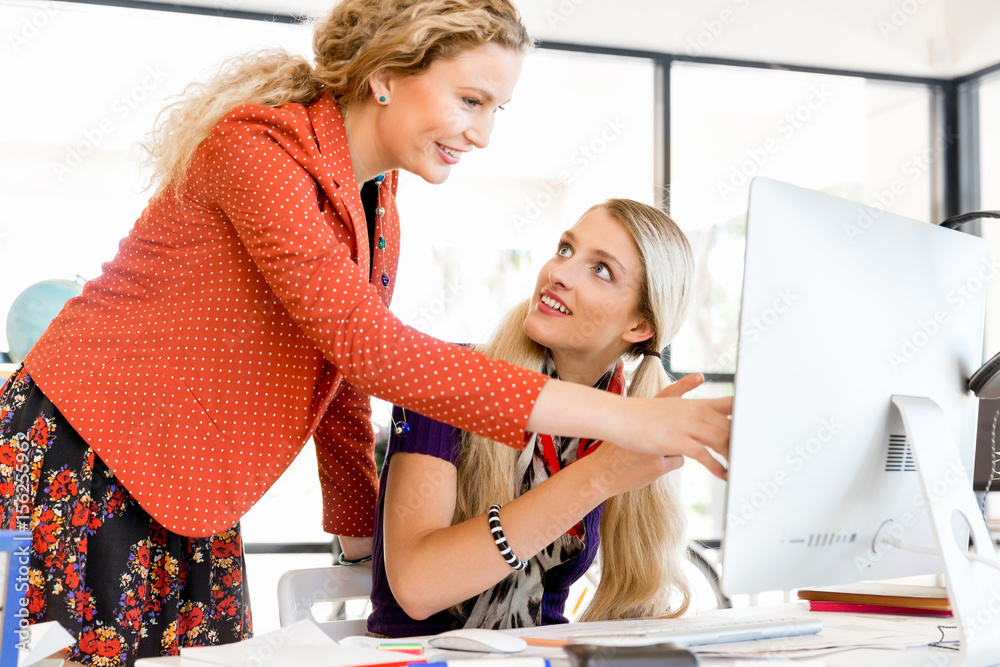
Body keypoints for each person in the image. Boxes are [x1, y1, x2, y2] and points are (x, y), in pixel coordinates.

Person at [0, 1, 730, 664]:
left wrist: (357, 536)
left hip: (187, 492)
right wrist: (633, 419)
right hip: (76, 456)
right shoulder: (259, 150)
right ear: (385, 76)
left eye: (497, 109)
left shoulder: (378, 203)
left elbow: (338, 373)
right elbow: (374, 352)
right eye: (470, 101)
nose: (482, 133)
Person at [368, 199, 708, 636]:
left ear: (640, 327)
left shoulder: (632, 420)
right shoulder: (447, 379)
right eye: (566, 249)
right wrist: (597, 476)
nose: (558, 273)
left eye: (601, 269)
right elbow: (418, 587)